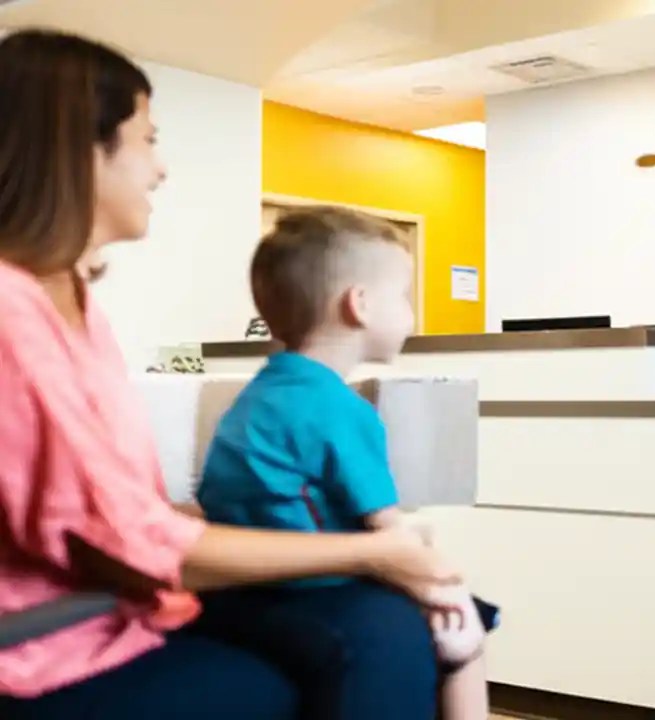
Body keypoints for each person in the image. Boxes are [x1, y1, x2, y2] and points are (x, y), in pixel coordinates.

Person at [0, 29, 460, 719]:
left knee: (380, 626)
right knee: (380, 635)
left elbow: (114, 514)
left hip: (117, 611)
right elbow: (123, 542)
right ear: (80, 150)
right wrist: (374, 554)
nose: (161, 170)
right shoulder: (12, 314)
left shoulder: (78, 306)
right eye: (148, 140)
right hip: (47, 645)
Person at [195, 206, 497, 720]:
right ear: (359, 305)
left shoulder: (254, 397)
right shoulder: (341, 410)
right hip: (313, 589)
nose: (411, 313)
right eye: (403, 296)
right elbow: (389, 531)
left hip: (235, 594)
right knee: (468, 621)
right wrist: (441, 576)